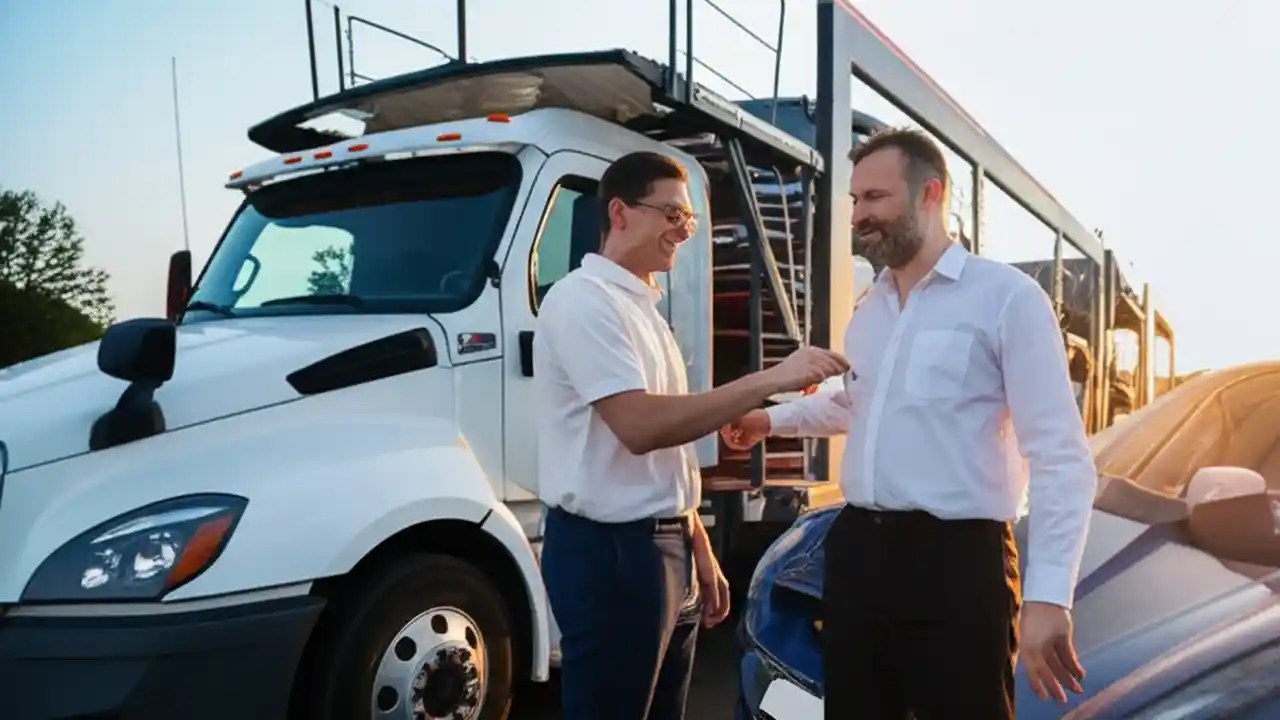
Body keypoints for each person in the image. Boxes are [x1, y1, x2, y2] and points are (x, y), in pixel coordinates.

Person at [722, 127, 1097, 719]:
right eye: (854, 201)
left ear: (930, 194)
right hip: (857, 558)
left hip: (958, 566)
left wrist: (1051, 596)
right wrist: (771, 421)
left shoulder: (1005, 298)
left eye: (875, 198)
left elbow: (1060, 456)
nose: (858, 216)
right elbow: (857, 405)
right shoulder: (869, 312)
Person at [533, 150, 849, 720]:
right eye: (671, 214)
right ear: (620, 213)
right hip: (610, 552)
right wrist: (772, 378)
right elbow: (641, 426)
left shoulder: (644, 308)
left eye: (689, 220)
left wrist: (694, 542)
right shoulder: (583, 301)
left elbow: (671, 444)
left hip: (658, 547)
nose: (683, 230)